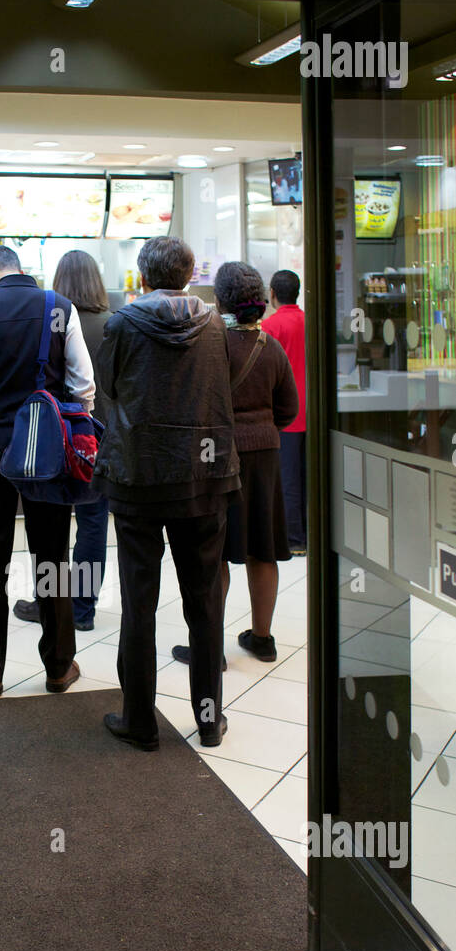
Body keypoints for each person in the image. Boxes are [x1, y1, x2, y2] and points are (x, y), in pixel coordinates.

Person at [93, 236, 240, 750]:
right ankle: (208, 720)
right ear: (190, 272)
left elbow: (106, 389)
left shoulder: (122, 324)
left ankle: (139, 722)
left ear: (142, 275)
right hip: (205, 476)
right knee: (205, 606)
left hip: (139, 475)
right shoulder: (215, 325)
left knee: (139, 604)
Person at [0, 244, 95, 699]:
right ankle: (59, 666)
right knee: (52, 557)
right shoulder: (59, 307)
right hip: (47, 456)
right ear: (22, 270)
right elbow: (84, 385)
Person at [172, 262, 298, 671]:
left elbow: (195, 404)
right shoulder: (272, 347)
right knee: (264, 548)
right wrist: (259, 430)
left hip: (219, 458)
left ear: (221, 300)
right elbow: (288, 410)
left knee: (216, 552)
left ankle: (212, 649)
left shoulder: (211, 345)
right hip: (265, 458)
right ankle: (262, 639)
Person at [13, 249, 113, 631]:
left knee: (50, 524)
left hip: (55, 437)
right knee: (93, 523)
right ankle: (83, 611)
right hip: (99, 439)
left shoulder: (48, 322)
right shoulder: (114, 324)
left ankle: (47, 604)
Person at [261, 269, 307, 554]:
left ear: (273, 294)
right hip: (313, 410)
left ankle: (295, 539)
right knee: (307, 476)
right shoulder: (311, 321)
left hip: (285, 413)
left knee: (288, 477)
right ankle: (309, 531)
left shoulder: (269, 327)